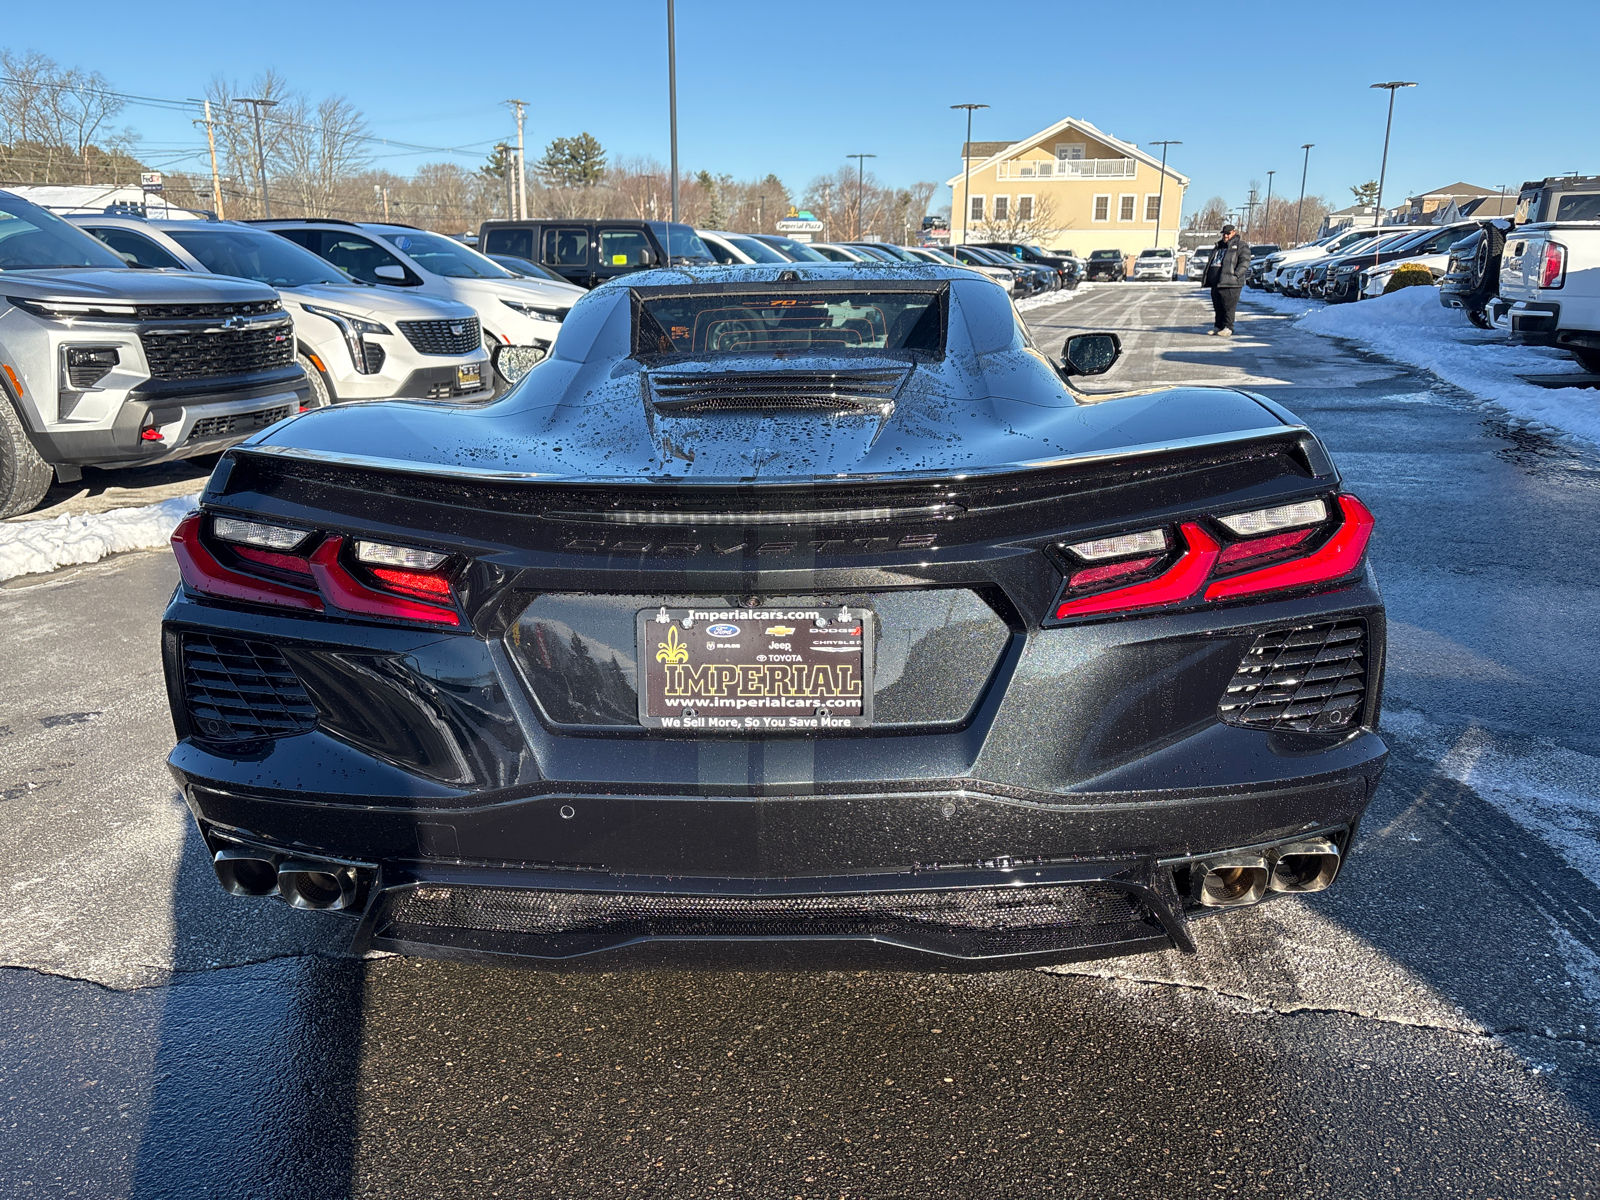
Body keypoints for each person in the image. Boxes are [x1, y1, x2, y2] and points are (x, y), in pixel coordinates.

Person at [1202, 223, 1251, 336]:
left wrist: (1236, 275)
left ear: (1234, 232)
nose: (1225, 236)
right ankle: (1218, 326)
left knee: (1228, 307)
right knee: (1217, 306)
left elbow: (1245, 262)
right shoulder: (1219, 246)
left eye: (1228, 233)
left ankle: (1228, 327)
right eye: (1224, 234)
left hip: (1231, 283)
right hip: (1217, 282)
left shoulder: (1241, 245)